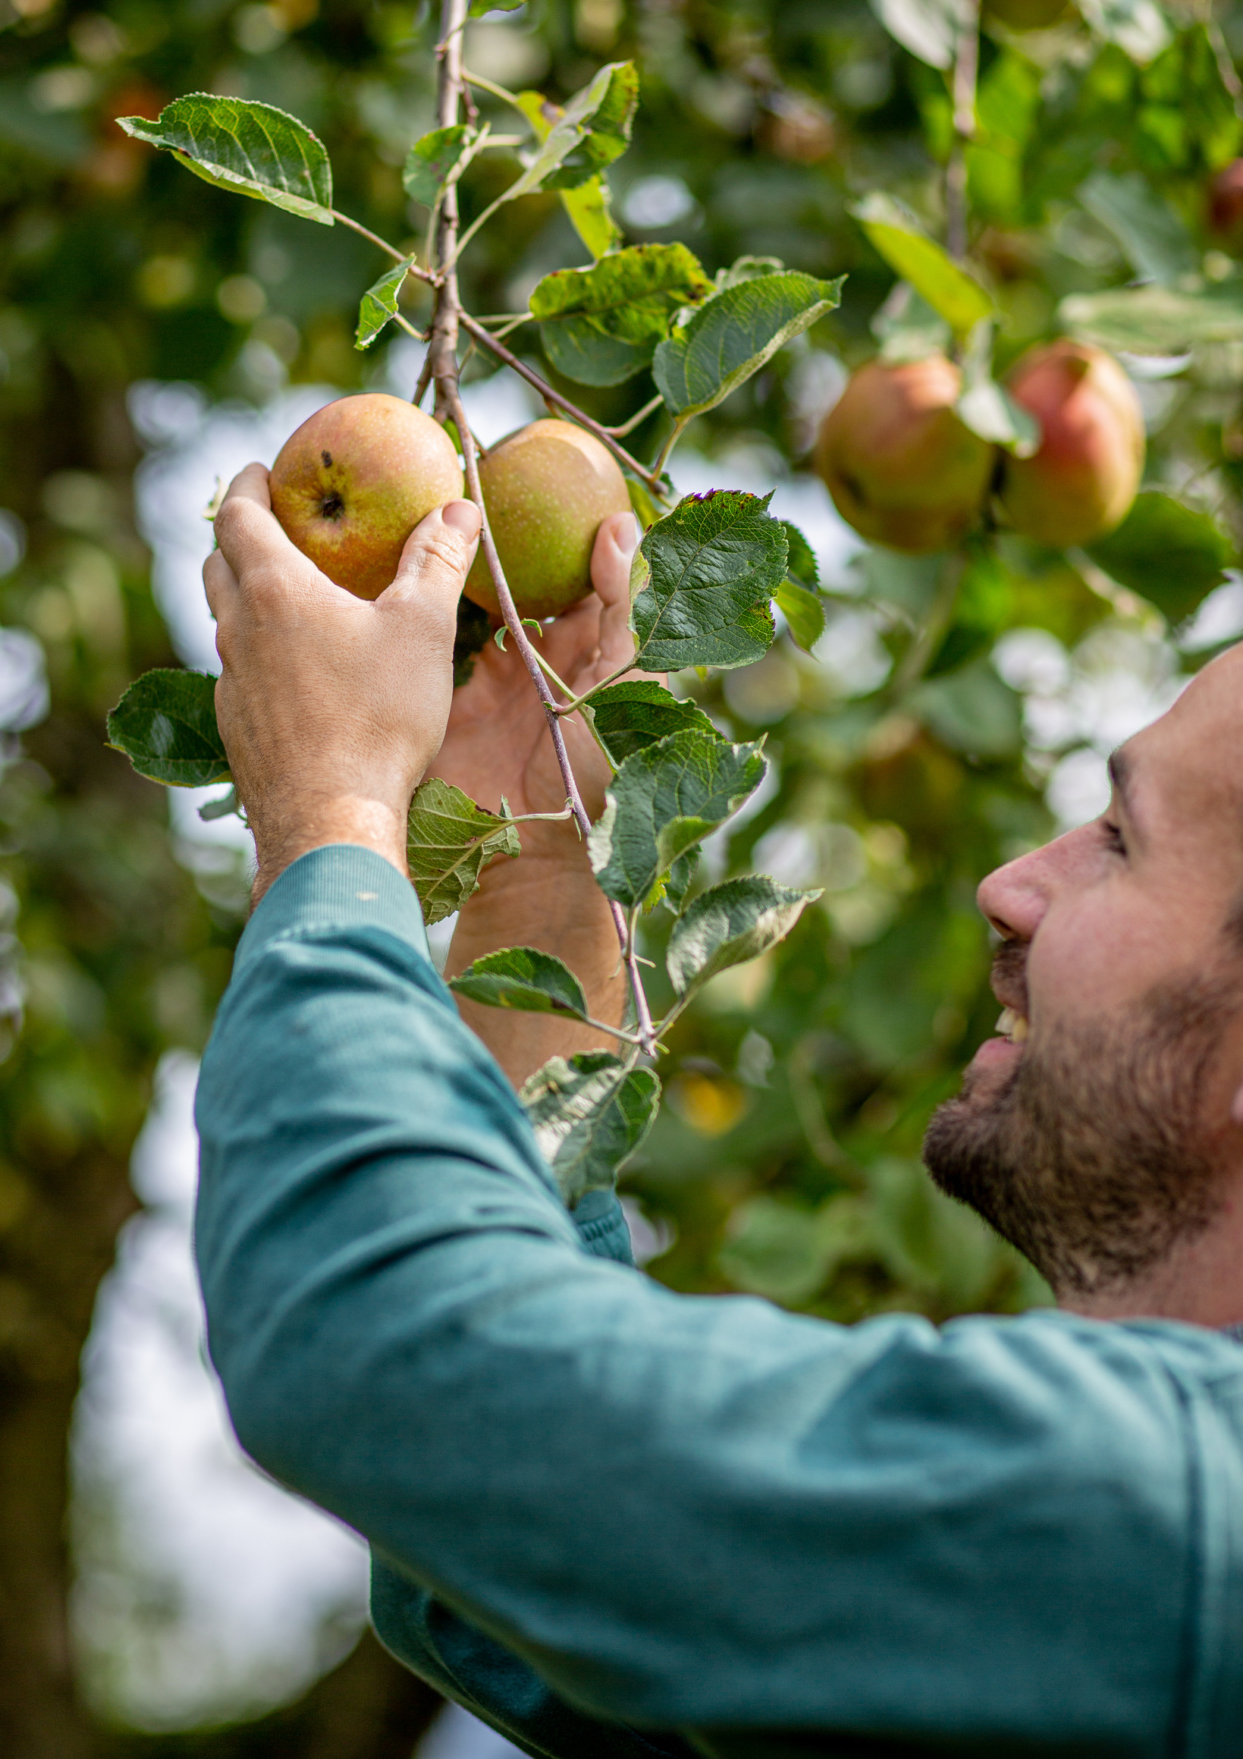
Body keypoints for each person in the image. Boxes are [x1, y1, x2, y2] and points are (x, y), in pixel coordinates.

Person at [196, 464, 1243, 1758]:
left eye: (1120, 843)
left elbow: (384, 1349)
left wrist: (331, 820)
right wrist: (542, 872)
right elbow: (510, 1573)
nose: (1008, 884)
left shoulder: (1179, 1519)